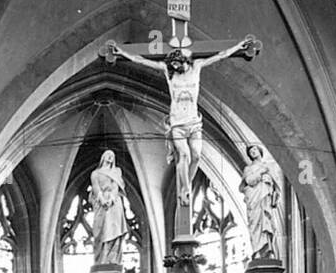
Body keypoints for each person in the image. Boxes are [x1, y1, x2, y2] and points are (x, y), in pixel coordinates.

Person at [108, 36, 258, 208]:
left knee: (196, 156)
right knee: (184, 155)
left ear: (184, 60)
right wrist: (122, 53)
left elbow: (220, 55)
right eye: (173, 66)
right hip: (177, 124)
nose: (176, 68)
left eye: (178, 65)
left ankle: (186, 185)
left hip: (194, 123)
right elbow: (141, 60)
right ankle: (185, 190)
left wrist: (238, 45)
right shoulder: (168, 72)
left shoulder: (197, 67)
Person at [240, 142, 284, 260]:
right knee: (255, 223)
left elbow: (277, 187)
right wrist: (261, 172)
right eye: (251, 152)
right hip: (254, 199)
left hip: (265, 199)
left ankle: (268, 249)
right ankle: (257, 250)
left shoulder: (269, 167)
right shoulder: (248, 168)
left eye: (254, 150)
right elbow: (249, 180)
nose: (253, 152)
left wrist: (273, 191)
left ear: (260, 150)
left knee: (267, 222)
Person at [89, 149, 128, 269]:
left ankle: (112, 259)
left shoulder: (116, 172)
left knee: (115, 229)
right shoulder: (95, 173)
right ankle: (102, 259)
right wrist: (102, 200)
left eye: (112, 156)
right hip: (101, 203)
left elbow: (115, 187)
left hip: (114, 203)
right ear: (103, 157)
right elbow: (96, 188)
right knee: (101, 230)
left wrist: (111, 199)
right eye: (108, 155)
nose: (110, 157)